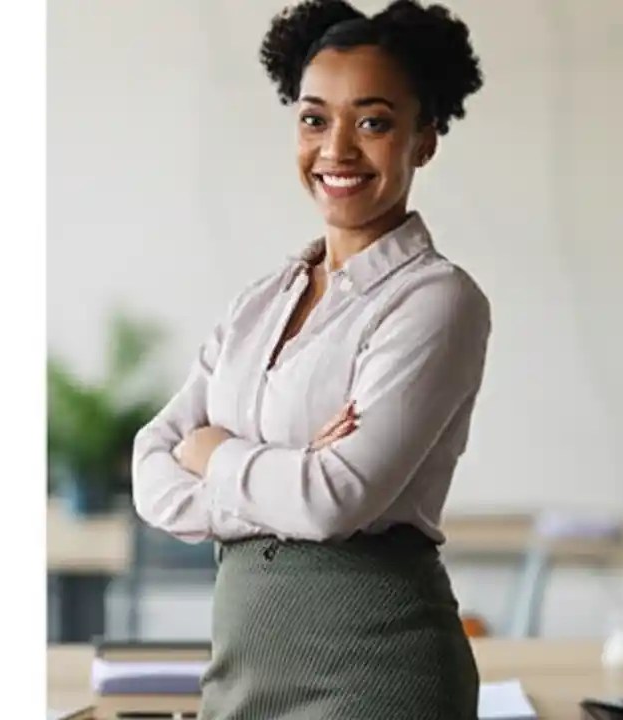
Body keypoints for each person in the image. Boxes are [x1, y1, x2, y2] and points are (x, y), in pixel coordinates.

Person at [130, 0, 489, 717]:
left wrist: (215, 452)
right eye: (314, 119)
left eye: (374, 122)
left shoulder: (436, 301)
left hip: (378, 677)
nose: (337, 149)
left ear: (424, 139)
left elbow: (332, 500)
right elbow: (150, 468)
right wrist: (285, 477)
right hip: (241, 679)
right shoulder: (258, 303)